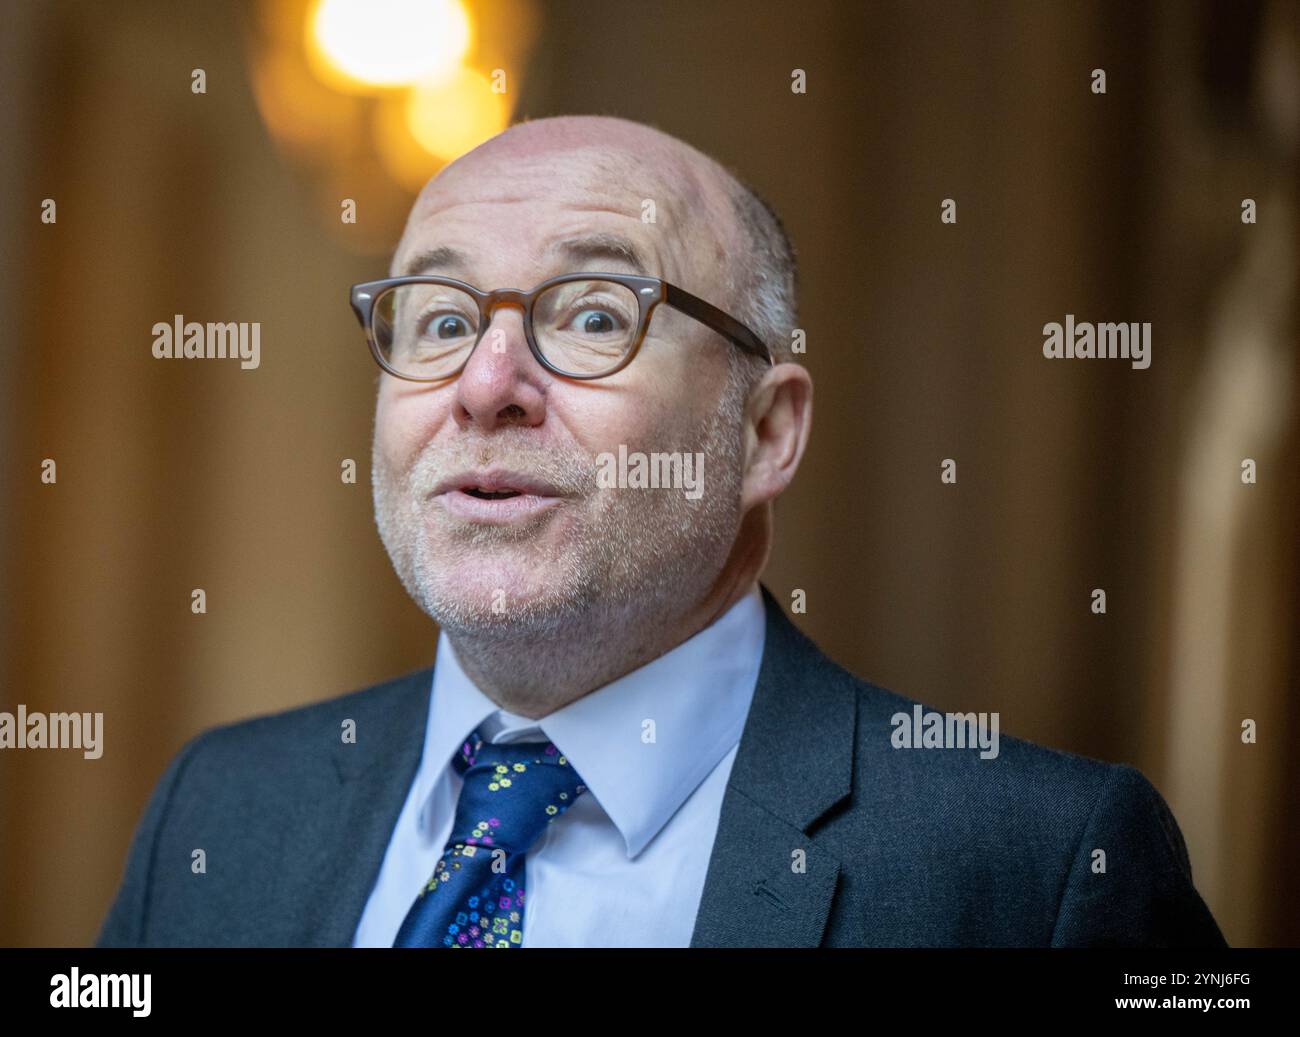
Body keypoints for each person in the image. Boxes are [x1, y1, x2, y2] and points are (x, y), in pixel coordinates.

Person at [96, 114, 1226, 948]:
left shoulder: (1041, 870)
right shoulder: (224, 806)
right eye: (439, 318)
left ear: (766, 431)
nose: (486, 383)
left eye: (593, 315)